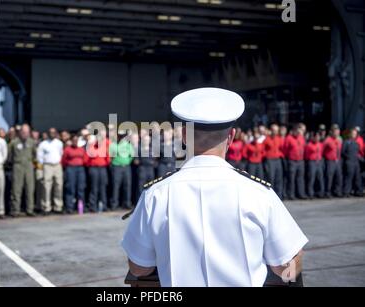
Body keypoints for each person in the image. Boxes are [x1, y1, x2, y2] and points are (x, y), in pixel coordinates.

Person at [121, 88, 308, 287]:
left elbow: (139, 268)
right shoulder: (259, 194)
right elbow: (287, 267)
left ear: (184, 136)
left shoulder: (155, 195)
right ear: (231, 137)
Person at [8, 124, 37, 217]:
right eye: (23, 132)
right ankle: (15, 210)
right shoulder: (14, 142)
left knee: (30, 188)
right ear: (20, 132)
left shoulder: (31, 142)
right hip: (18, 166)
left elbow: (35, 154)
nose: (25, 134)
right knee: (16, 189)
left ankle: (30, 209)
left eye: (27, 132)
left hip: (28, 166)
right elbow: (9, 156)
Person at [37, 127, 64, 214]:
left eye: (54, 132)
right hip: (47, 165)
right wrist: (42, 166)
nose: (52, 134)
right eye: (50, 132)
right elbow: (39, 156)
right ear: (48, 133)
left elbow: (61, 153)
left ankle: (58, 207)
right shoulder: (43, 144)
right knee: (46, 187)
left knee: (59, 185)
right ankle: (46, 207)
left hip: (57, 165)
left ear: (56, 133)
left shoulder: (59, 143)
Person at [109, 131, 135, 210]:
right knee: (116, 186)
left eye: (122, 136)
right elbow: (111, 156)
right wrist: (116, 162)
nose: (121, 137)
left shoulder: (128, 145)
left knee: (127, 185)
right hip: (116, 167)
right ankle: (114, 204)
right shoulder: (113, 145)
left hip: (126, 167)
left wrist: (127, 162)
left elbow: (132, 155)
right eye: (119, 135)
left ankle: (127, 203)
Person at [62, 134, 87, 214]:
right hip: (70, 169)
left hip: (80, 169)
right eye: (74, 140)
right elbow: (64, 160)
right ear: (71, 141)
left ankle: (80, 208)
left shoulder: (81, 149)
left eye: (77, 140)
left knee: (80, 189)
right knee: (70, 188)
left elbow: (85, 159)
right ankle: (70, 207)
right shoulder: (67, 149)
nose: (75, 142)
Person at [86, 134, 110, 212]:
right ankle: (93, 207)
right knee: (94, 188)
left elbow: (108, 158)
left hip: (102, 169)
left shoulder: (104, 147)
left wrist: (105, 164)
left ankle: (104, 206)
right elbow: (86, 159)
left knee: (103, 188)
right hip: (93, 169)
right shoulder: (90, 146)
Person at [284, 125, 307, 200]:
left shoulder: (301, 138)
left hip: (300, 161)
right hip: (292, 161)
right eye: (296, 131)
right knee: (291, 179)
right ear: (293, 131)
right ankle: (291, 194)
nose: (298, 133)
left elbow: (304, 147)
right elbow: (286, 149)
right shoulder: (289, 138)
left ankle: (301, 194)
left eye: (299, 131)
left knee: (300, 178)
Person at [263, 124, 285, 199]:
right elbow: (263, 149)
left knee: (279, 178)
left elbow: (282, 148)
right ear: (271, 130)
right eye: (273, 130)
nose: (275, 132)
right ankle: (270, 196)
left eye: (276, 130)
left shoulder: (279, 138)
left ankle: (279, 196)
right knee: (270, 178)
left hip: (278, 160)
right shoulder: (266, 139)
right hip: (270, 160)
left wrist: (280, 155)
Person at [323, 124, 343, 198]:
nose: (337, 132)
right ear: (331, 132)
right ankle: (327, 192)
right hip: (330, 161)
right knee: (329, 177)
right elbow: (322, 149)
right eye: (335, 131)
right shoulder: (327, 140)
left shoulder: (340, 139)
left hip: (338, 161)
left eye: (338, 131)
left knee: (339, 177)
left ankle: (337, 191)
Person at [134, 133, 157, 198]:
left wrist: (152, 163)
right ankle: (139, 203)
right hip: (142, 169)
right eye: (145, 140)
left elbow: (156, 160)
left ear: (149, 141)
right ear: (142, 141)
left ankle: (149, 202)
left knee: (150, 187)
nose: (146, 141)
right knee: (140, 187)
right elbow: (136, 161)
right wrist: (144, 161)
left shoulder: (152, 150)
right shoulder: (139, 149)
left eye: (148, 140)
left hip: (150, 170)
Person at [342, 129, 363, 197]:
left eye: (355, 134)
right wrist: (348, 157)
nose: (354, 135)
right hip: (349, 162)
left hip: (356, 162)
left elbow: (357, 153)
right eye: (353, 133)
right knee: (349, 177)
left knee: (358, 177)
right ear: (350, 134)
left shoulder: (356, 143)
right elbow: (343, 152)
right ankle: (346, 192)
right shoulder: (346, 142)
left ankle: (358, 191)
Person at [304, 132, 325, 198]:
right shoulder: (309, 145)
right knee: (311, 178)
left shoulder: (320, 144)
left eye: (318, 137)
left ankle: (320, 193)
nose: (317, 138)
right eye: (316, 137)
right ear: (313, 137)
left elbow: (322, 152)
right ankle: (310, 193)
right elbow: (306, 155)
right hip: (312, 162)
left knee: (320, 178)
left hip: (319, 162)